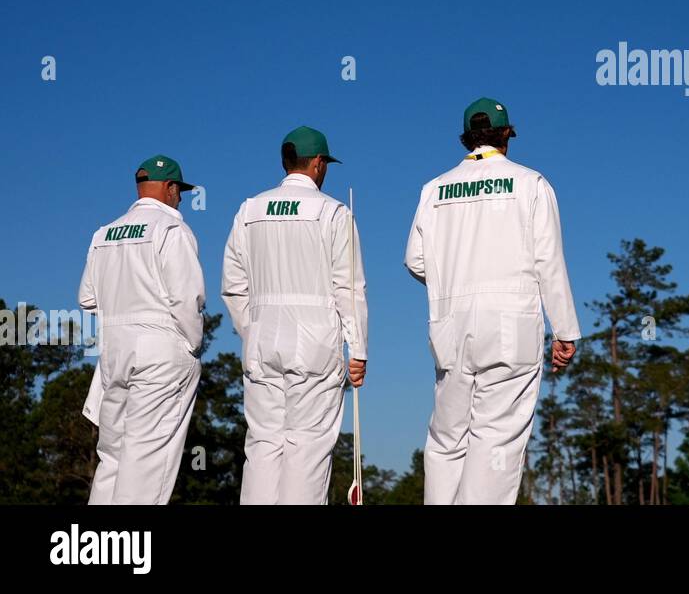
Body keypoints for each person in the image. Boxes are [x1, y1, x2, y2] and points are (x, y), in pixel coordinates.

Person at [405, 97, 581, 504]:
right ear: (506, 135)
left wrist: (455, 278)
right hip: (509, 325)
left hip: (450, 325)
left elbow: (415, 259)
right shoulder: (530, 183)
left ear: (466, 138)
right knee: (495, 442)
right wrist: (565, 330)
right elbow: (548, 261)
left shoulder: (435, 188)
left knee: (447, 440)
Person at [222, 126, 368, 504]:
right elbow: (349, 288)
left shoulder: (249, 210)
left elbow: (234, 286)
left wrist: (252, 330)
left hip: (262, 348)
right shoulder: (332, 211)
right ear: (318, 164)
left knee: (263, 448)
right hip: (316, 349)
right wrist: (358, 349)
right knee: (306, 452)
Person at [80, 155, 205, 504]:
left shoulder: (104, 232)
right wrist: (192, 346)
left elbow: (87, 298)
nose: (181, 198)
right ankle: (129, 550)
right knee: (147, 460)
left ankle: (97, 549)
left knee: (113, 456)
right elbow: (187, 299)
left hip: (114, 354)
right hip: (161, 348)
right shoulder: (171, 229)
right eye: (179, 190)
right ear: (169, 187)